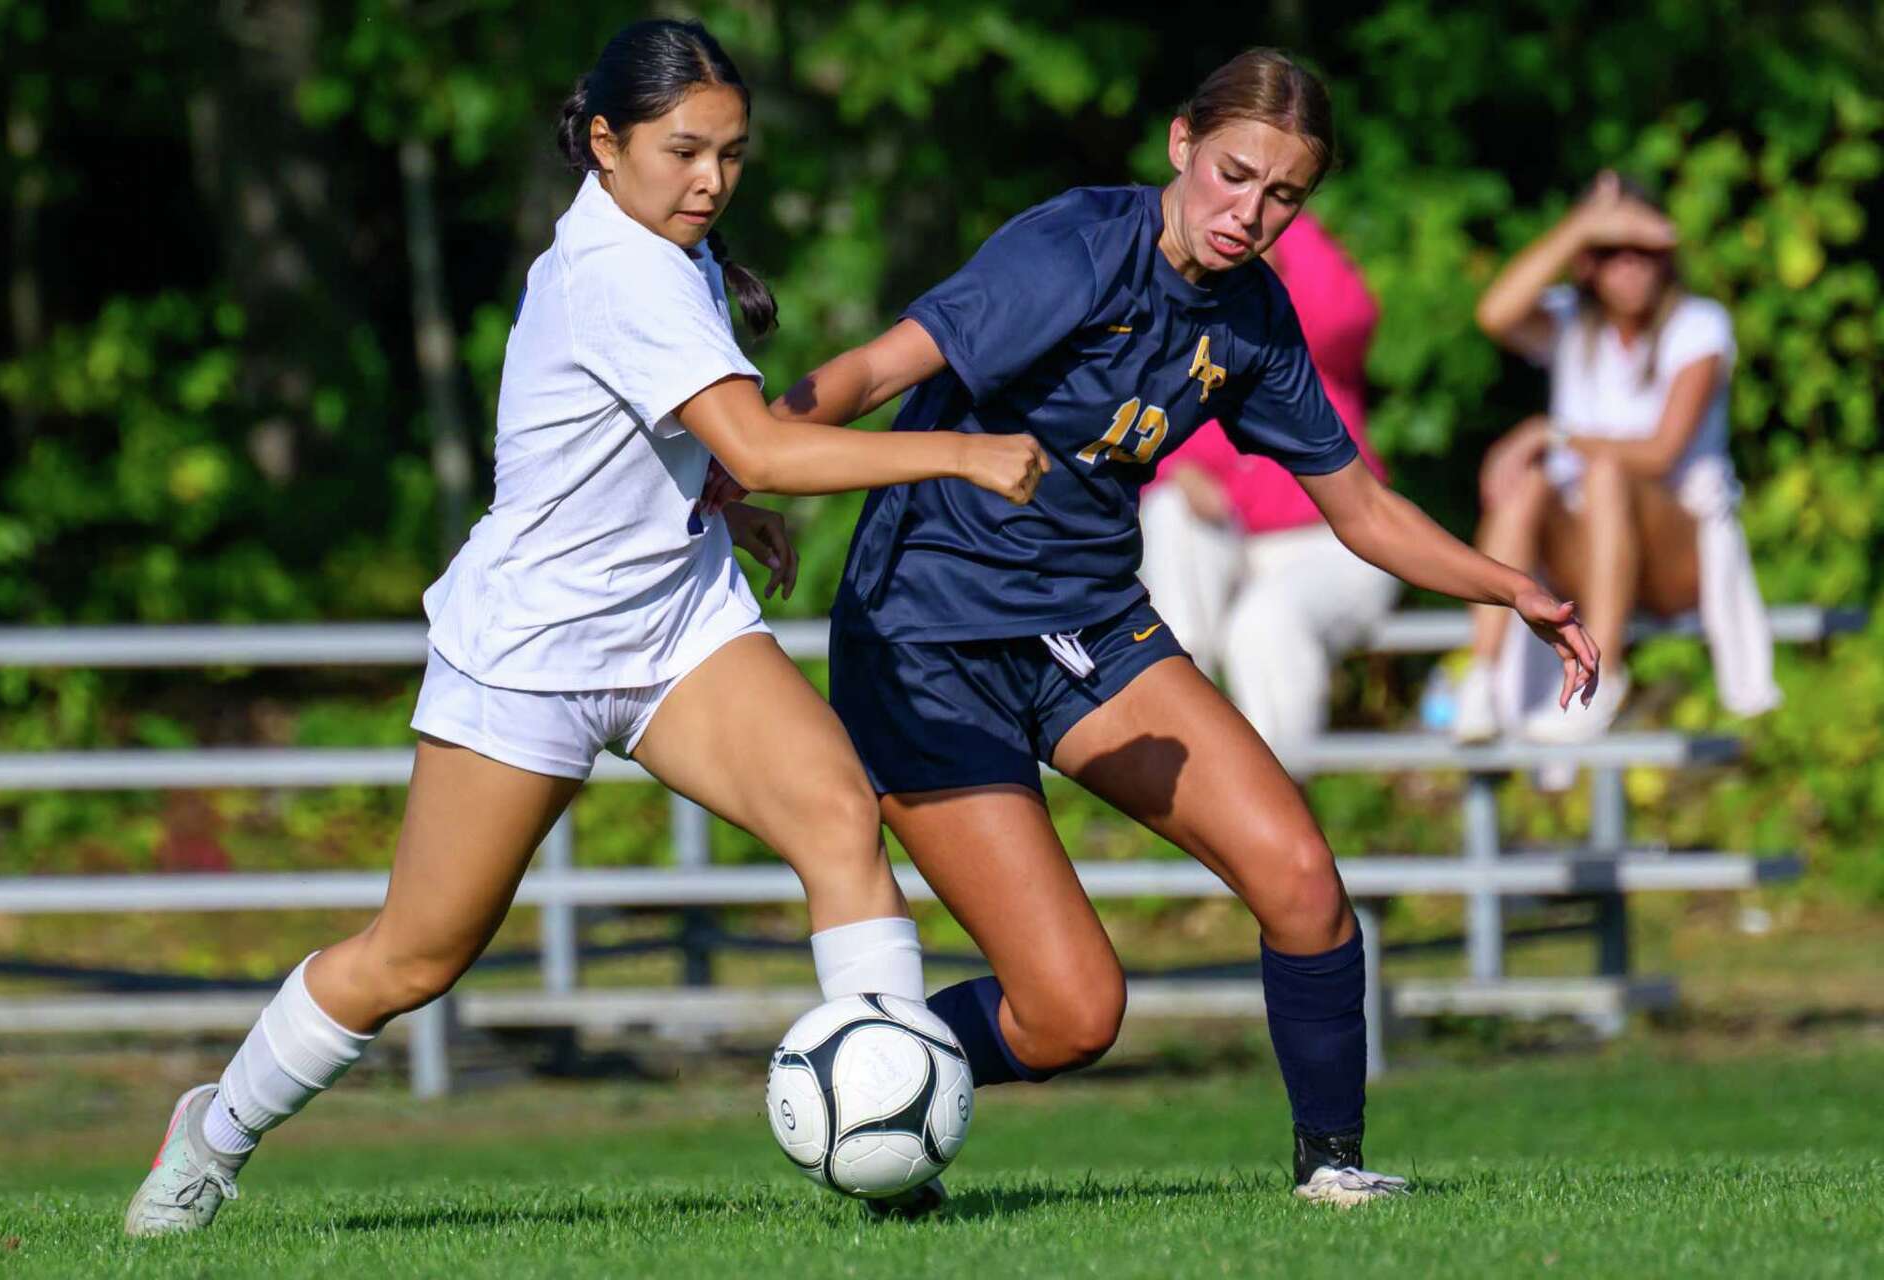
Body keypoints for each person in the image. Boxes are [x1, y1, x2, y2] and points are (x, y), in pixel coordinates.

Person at [122, 19, 1049, 1237]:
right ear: (604, 145)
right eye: (684, 151)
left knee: (836, 813)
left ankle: (893, 1152)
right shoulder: (619, 265)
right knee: (415, 956)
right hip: (533, 656)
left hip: (672, 625)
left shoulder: (674, 248)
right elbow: (760, 433)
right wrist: (960, 451)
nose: (712, 180)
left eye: (731, 154)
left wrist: (722, 499)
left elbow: (660, 437)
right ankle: (215, 1129)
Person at [733, 48, 1599, 1210]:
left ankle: (1331, 1169)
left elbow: (1363, 507)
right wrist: (750, 470)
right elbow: (872, 369)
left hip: (1090, 629)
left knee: (1299, 875)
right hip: (925, 643)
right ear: (1183, 146)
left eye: (1285, 194)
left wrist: (1511, 586)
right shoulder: (1073, 250)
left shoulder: (1252, 319)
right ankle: (847, 1082)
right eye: (1235, 174)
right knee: (1073, 1011)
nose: (1252, 212)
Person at [1451, 171, 1778, 744]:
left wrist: (1549, 435)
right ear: (1588, 264)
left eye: (1642, 252)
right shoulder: (1573, 325)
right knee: (1524, 487)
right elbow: (1493, 314)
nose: (1629, 267)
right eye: (1610, 252)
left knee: (1607, 475)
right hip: (1590, 559)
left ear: (1665, 259)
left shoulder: (1700, 326)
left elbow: (1659, 453)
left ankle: (1599, 678)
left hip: (1676, 555)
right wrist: (1581, 225)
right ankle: (1482, 676)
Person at [1138, 211, 1398, 762]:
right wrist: (1169, 471)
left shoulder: (1306, 320)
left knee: (1263, 623)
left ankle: (1269, 798)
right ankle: (1180, 699)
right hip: (1231, 550)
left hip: (1334, 546)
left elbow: (1348, 318)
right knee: (1167, 508)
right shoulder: (1177, 349)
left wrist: (1280, 239)